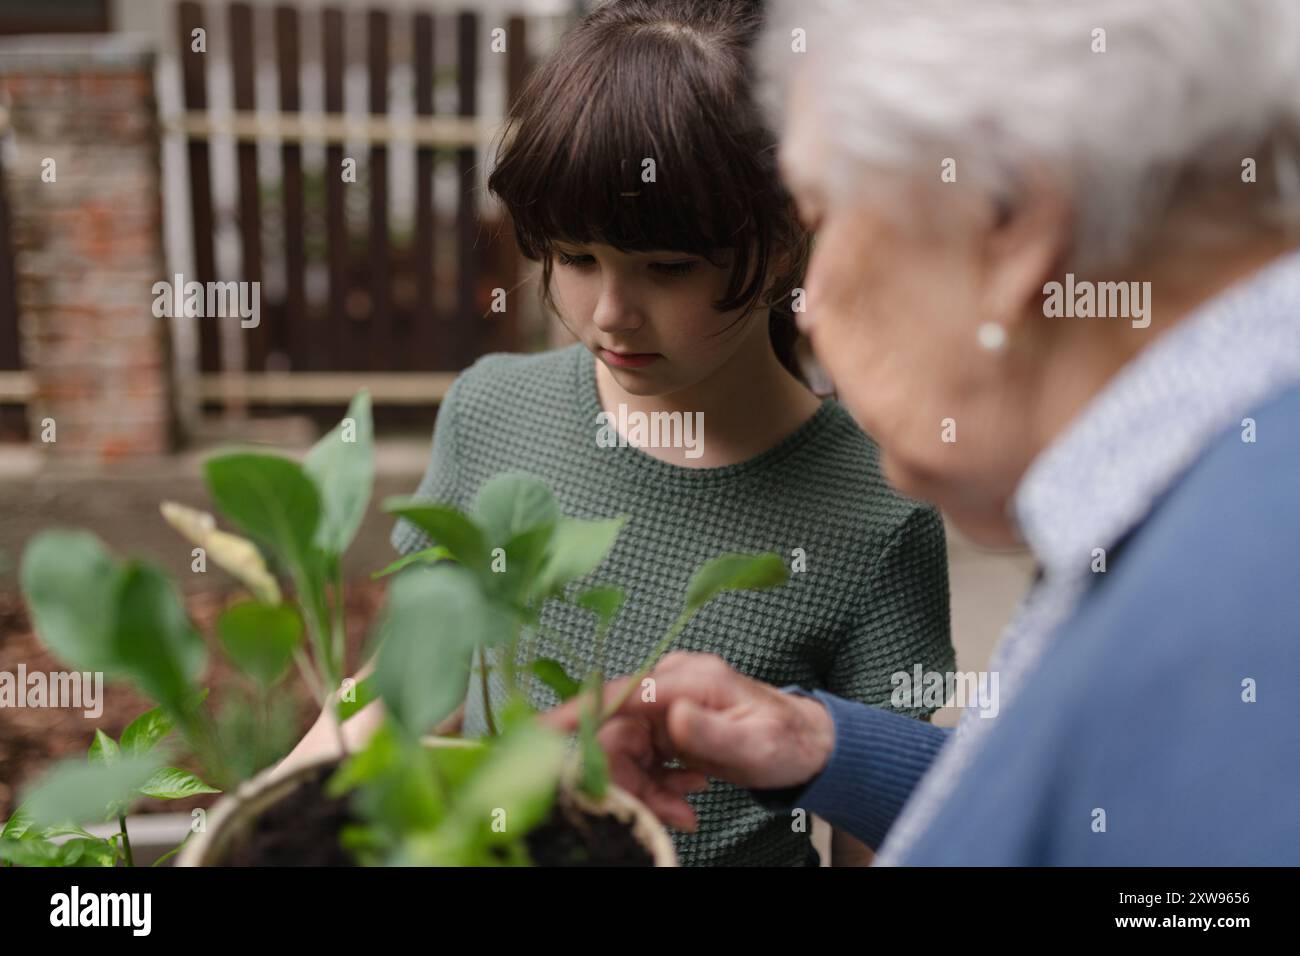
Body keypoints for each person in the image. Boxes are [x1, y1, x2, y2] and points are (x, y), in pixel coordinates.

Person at [546, 0, 1300, 864]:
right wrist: (823, 747)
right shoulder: (1211, 500)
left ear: (1007, 214)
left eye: (823, 220)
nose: (813, 305)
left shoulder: (1244, 603)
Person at [281, 0, 954, 867]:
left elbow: (877, 838)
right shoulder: (492, 410)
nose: (610, 313)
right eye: (573, 257)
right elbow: (404, 693)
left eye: (666, 268)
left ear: (786, 237)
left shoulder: (880, 509)